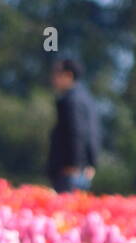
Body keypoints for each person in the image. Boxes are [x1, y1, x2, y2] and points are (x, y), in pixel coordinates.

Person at [47, 58, 99, 193]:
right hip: (84, 169)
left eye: (57, 74)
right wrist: (91, 163)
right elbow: (94, 134)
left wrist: (72, 164)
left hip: (69, 170)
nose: (54, 79)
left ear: (68, 75)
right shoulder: (87, 99)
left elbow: (75, 132)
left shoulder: (70, 101)